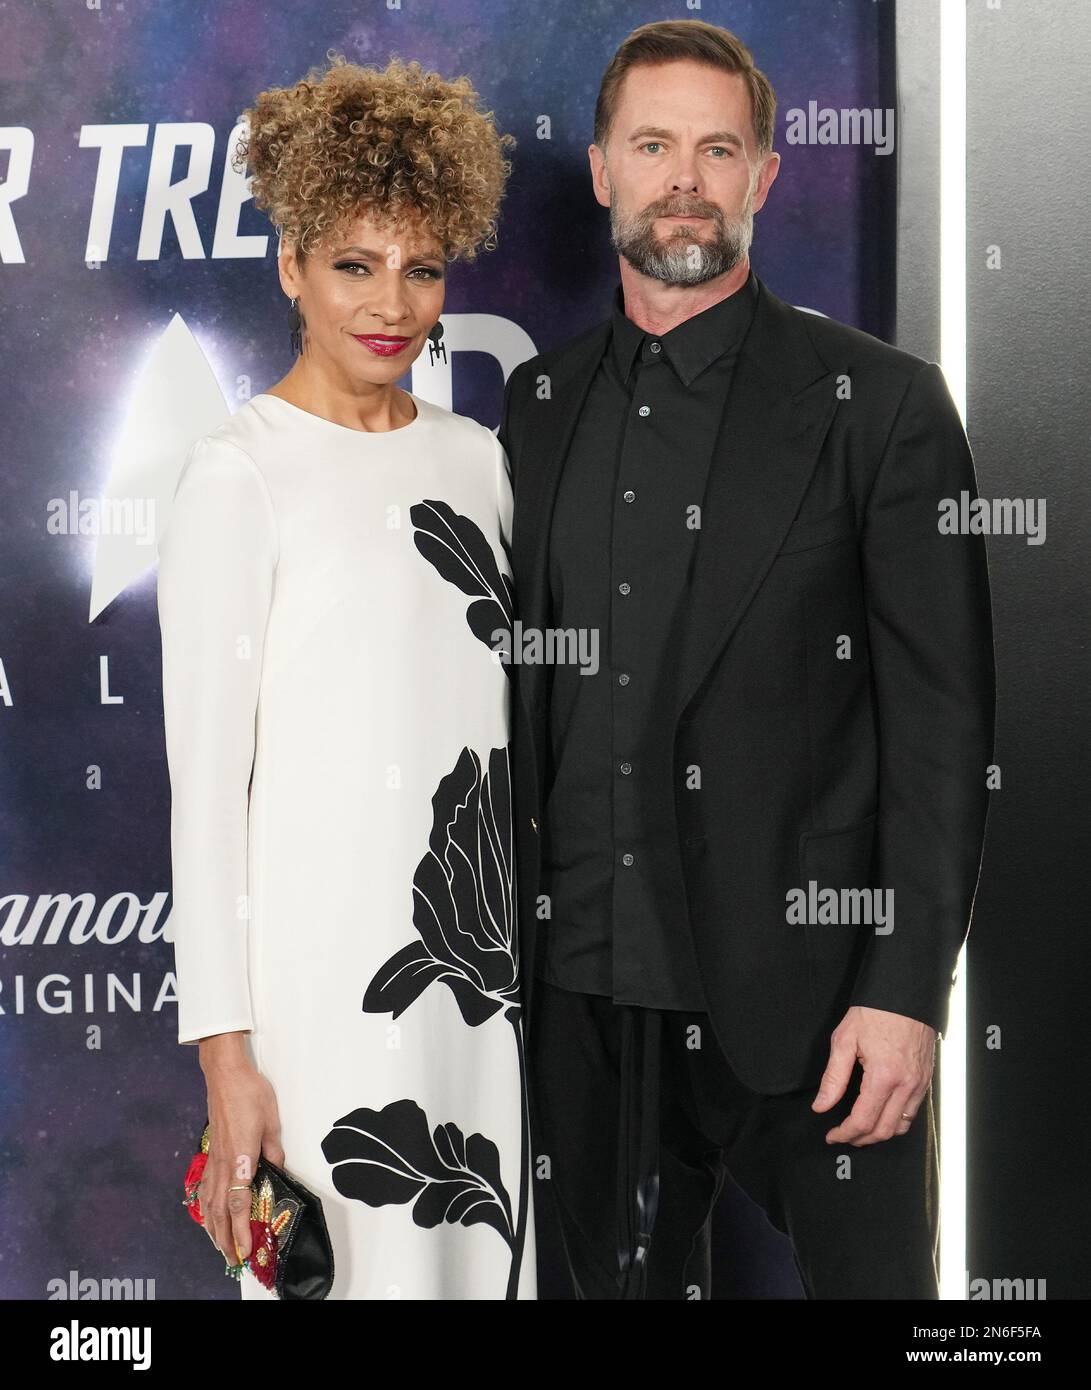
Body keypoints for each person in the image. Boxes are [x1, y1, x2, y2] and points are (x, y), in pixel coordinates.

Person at [499, 19, 996, 1299]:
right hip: (589, 1009)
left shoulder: (877, 407)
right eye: (651, 144)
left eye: (717, 148)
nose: (684, 177)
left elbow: (943, 735)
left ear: (764, 176)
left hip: (821, 1010)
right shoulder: (535, 410)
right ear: (600, 168)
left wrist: (904, 996)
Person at [157, 53, 535, 1299]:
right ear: (291, 268)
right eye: (353, 265)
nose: (391, 304)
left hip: (475, 995)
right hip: (318, 1000)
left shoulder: (478, 461)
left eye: (420, 268)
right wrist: (228, 1060)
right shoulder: (238, 472)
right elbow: (205, 795)